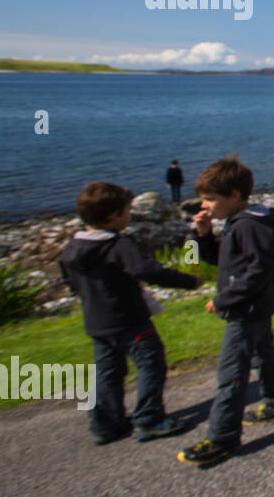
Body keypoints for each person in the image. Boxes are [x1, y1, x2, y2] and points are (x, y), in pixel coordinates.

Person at [58, 182, 200, 445]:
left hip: (97, 322)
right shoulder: (118, 245)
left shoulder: (71, 248)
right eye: (127, 212)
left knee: (107, 372)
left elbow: (71, 282)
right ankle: (149, 418)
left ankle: (105, 423)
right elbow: (148, 271)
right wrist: (188, 281)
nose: (129, 217)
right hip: (130, 319)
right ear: (112, 215)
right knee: (151, 364)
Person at [177, 156, 274, 467]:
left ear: (236, 196)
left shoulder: (251, 225)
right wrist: (202, 235)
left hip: (245, 308)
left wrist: (225, 299)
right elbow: (222, 261)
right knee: (263, 353)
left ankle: (223, 437)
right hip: (253, 306)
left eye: (211, 199)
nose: (205, 205)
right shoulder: (238, 221)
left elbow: (257, 272)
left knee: (231, 373)